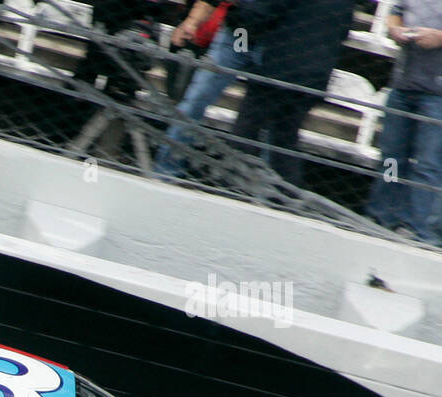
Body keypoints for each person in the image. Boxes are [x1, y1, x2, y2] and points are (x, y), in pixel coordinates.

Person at [224, 0, 356, 184]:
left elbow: (259, 13)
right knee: (285, 138)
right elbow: (344, 30)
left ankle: (232, 181)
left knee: (248, 126)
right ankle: (286, 190)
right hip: (315, 74)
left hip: (280, 67)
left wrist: (236, 18)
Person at [154, 1, 265, 179]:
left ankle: (259, 186)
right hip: (239, 32)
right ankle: (167, 170)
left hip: (275, 41)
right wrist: (191, 22)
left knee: (265, 116)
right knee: (195, 101)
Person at [366, 1, 442, 244]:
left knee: (428, 164)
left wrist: (440, 37)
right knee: (391, 157)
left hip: (438, 95)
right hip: (402, 86)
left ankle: (419, 229)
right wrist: (395, 29)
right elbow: (395, 13)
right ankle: (380, 216)